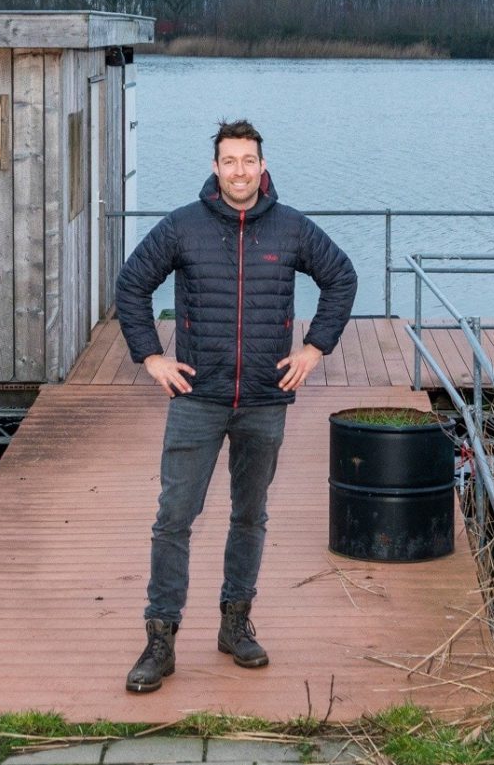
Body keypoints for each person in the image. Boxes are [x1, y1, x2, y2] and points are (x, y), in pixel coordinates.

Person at [114, 119, 356, 692]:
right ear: (216, 167)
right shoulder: (183, 227)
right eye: (230, 161)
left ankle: (235, 623)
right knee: (175, 518)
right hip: (197, 396)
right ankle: (160, 637)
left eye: (249, 161)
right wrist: (151, 358)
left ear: (262, 166)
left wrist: (315, 348)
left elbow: (341, 277)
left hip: (265, 401)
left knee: (250, 515)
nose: (240, 171)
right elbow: (131, 285)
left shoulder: (292, 228)